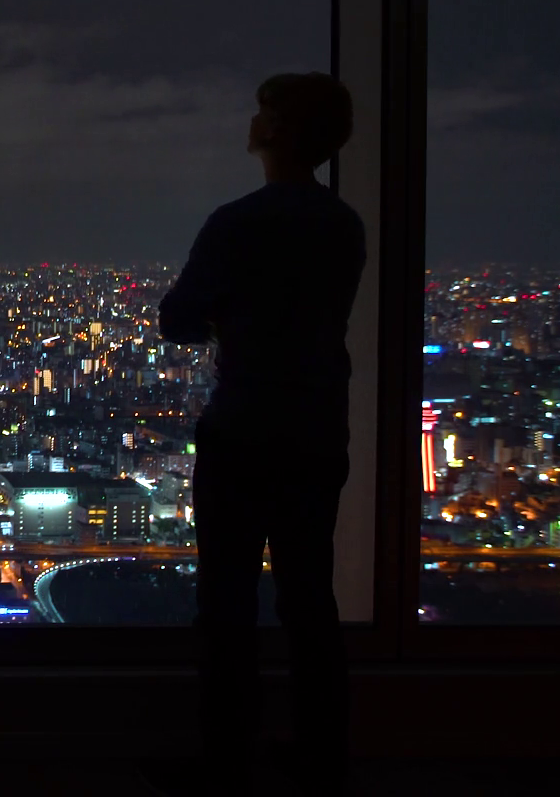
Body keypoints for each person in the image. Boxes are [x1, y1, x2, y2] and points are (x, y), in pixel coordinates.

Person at [150, 72, 366, 796]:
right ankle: (323, 755)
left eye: (263, 111)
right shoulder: (343, 224)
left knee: (227, 601)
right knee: (309, 597)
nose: (253, 120)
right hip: (318, 427)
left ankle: (225, 759)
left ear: (277, 130)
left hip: (243, 426)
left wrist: (228, 319)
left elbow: (177, 319)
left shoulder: (237, 222)